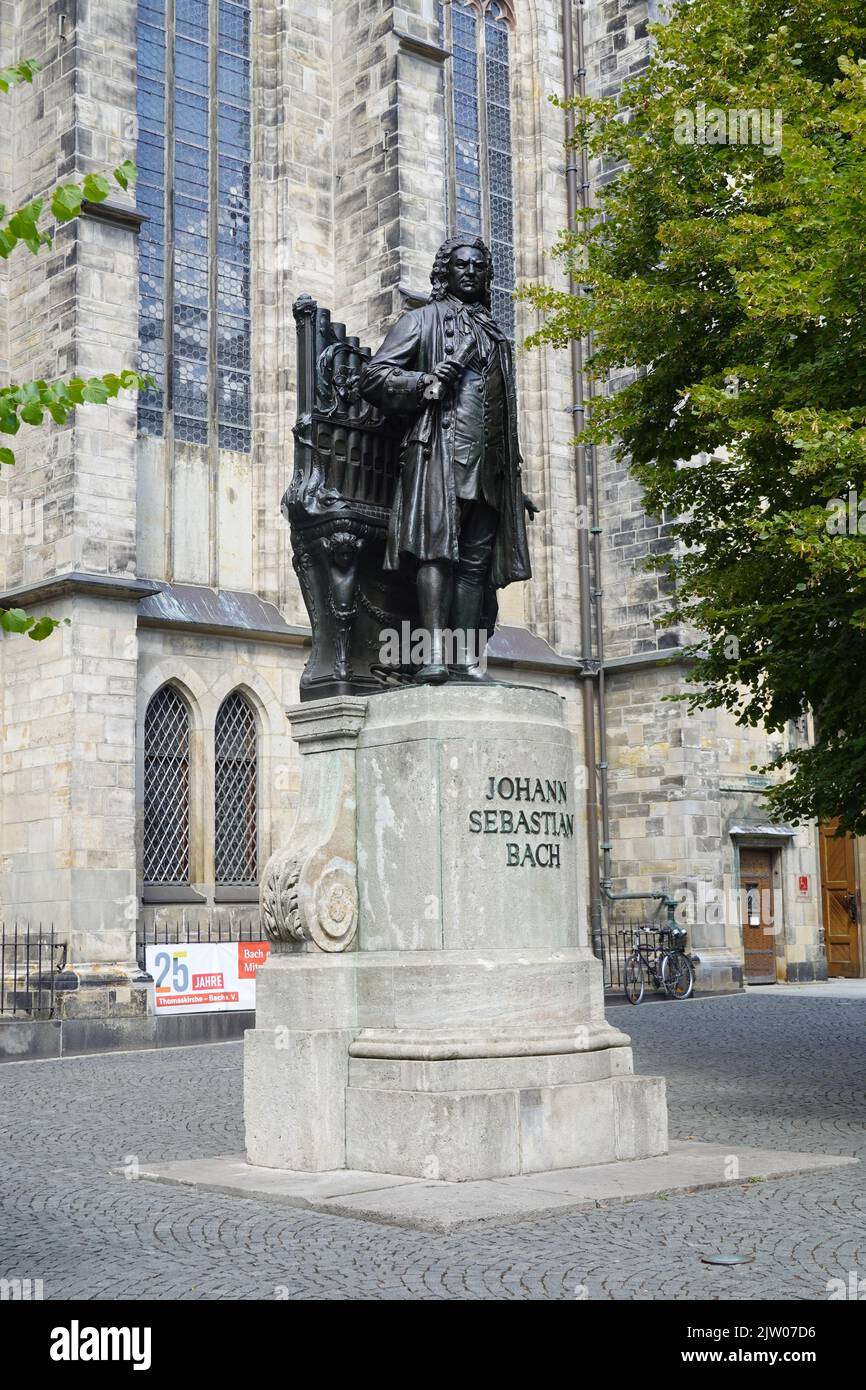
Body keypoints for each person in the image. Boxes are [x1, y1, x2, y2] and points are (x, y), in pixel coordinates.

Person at [360, 235, 537, 683]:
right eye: (462, 265)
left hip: (490, 468)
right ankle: (433, 655)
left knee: (475, 564)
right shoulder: (422, 321)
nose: (471, 272)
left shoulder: (495, 336)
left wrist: (515, 482)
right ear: (445, 271)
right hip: (439, 454)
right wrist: (424, 380)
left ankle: (463, 659)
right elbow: (375, 377)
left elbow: (502, 410)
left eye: (479, 266)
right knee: (436, 552)